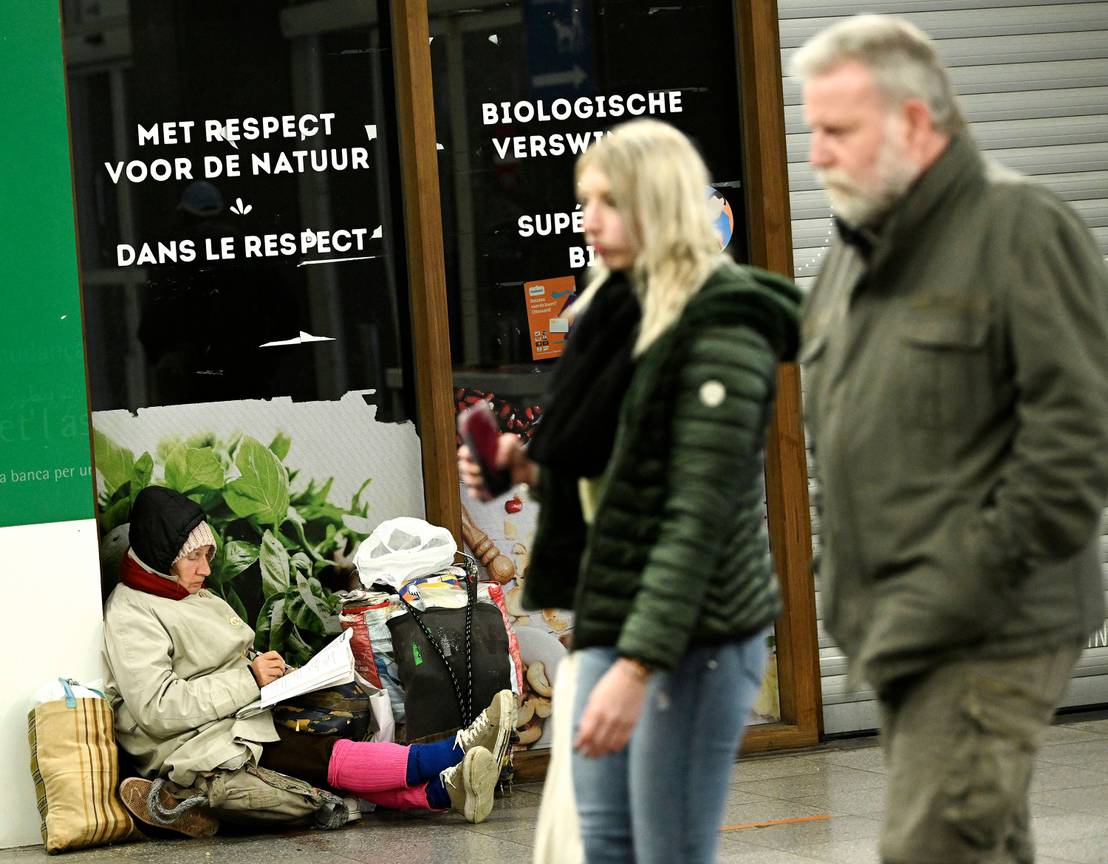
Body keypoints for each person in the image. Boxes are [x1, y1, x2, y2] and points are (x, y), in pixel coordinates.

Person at [793, 15, 1108, 864]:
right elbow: (835, 429)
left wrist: (960, 580)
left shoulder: (1019, 229)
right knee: (986, 844)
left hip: (993, 623)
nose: (817, 153)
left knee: (931, 849)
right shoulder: (857, 252)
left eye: (838, 131)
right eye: (813, 129)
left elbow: (1075, 443)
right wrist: (842, 584)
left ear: (914, 123)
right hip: (896, 628)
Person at [460, 119, 800, 863]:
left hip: (695, 637)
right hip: (622, 618)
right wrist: (521, 467)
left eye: (608, 202)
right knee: (607, 845)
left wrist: (638, 668)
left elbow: (695, 515)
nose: (588, 221)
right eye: (587, 201)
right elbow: (618, 472)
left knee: (666, 848)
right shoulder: (613, 313)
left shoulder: (721, 326)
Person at [102, 485, 516, 837]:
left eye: (208, 555)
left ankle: (442, 792)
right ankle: (454, 751)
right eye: (195, 558)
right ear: (162, 554)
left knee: (338, 719)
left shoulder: (184, 590)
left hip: (236, 713)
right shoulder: (132, 613)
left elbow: (220, 659)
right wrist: (250, 678)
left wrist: (285, 677)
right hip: (192, 740)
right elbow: (157, 708)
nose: (206, 569)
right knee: (313, 751)